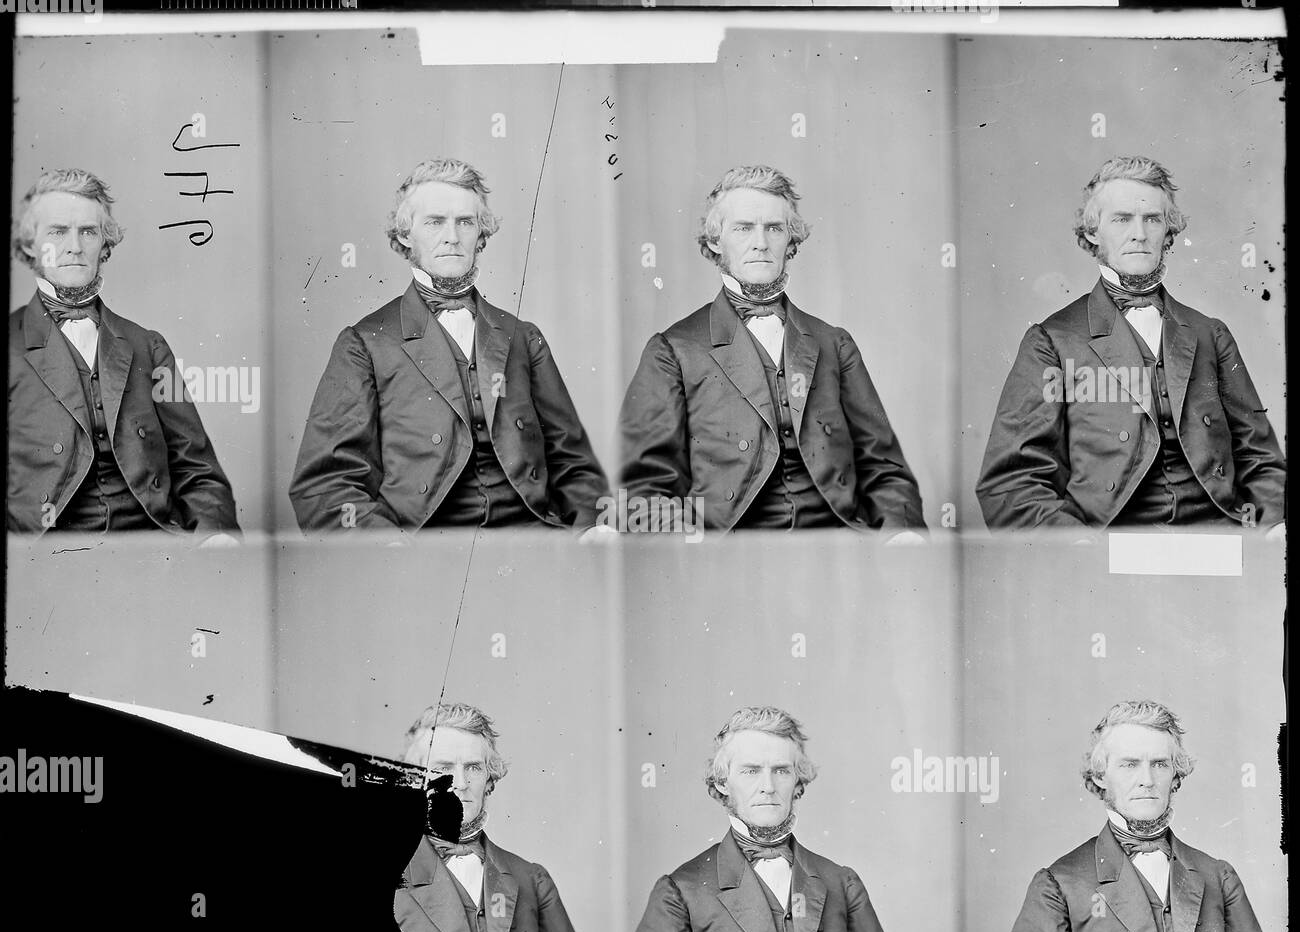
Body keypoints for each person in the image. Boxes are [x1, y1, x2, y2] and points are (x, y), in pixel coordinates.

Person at [290, 158, 610, 536]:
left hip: (530, 544)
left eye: (465, 222)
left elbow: (573, 463)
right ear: (406, 235)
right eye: (434, 222)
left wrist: (592, 527)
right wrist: (387, 548)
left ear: (482, 234)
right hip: (421, 552)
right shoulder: (364, 343)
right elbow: (325, 485)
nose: (452, 237)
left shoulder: (522, 337)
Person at [977, 157, 1286, 533]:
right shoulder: (1053, 341)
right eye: (1121, 219)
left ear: (1168, 233)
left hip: (1216, 542)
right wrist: (1075, 548)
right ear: (1093, 233)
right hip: (1107, 555)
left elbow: (1261, 460)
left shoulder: (1210, 334)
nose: (1139, 233)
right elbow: (1011, 481)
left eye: (1152, 219)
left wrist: (1270, 530)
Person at [618, 165, 925, 537]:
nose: (760, 242)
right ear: (716, 241)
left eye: (774, 229)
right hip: (727, 556)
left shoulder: (834, 344)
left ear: (791, 242)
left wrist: (901, 535)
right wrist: (690, 546)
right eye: (744, 228)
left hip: (838, 554)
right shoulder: (674, 350)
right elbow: (645, 488)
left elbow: (884, 469)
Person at [992, 700, 1286, 932]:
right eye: (1129, 764)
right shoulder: (1058, 886)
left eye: (1159, 764)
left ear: (1176, 776)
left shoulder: (1218, 876)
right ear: (1101, 776)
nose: (1147, 779)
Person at [625, 706, 917, 932]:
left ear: (799, 783)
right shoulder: (681, 892)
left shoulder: (842, 883)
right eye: (751, 771)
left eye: (781, 770)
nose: (768, 786)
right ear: (723, 783)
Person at [8, 168, 239, 539]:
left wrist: (216, 536)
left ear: (105, 244)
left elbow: (197, 471)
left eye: (88, 231)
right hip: (44, 565)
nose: (74, 246)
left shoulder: (148, 346)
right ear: (30, 245)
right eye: (57, 231)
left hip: (152, 552)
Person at [392, 702, 611, 932]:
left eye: (473, 768)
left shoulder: (531, 879)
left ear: (489, 779)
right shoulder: (391, 882)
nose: (460, 783)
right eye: (442, 768)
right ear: (416, 780)